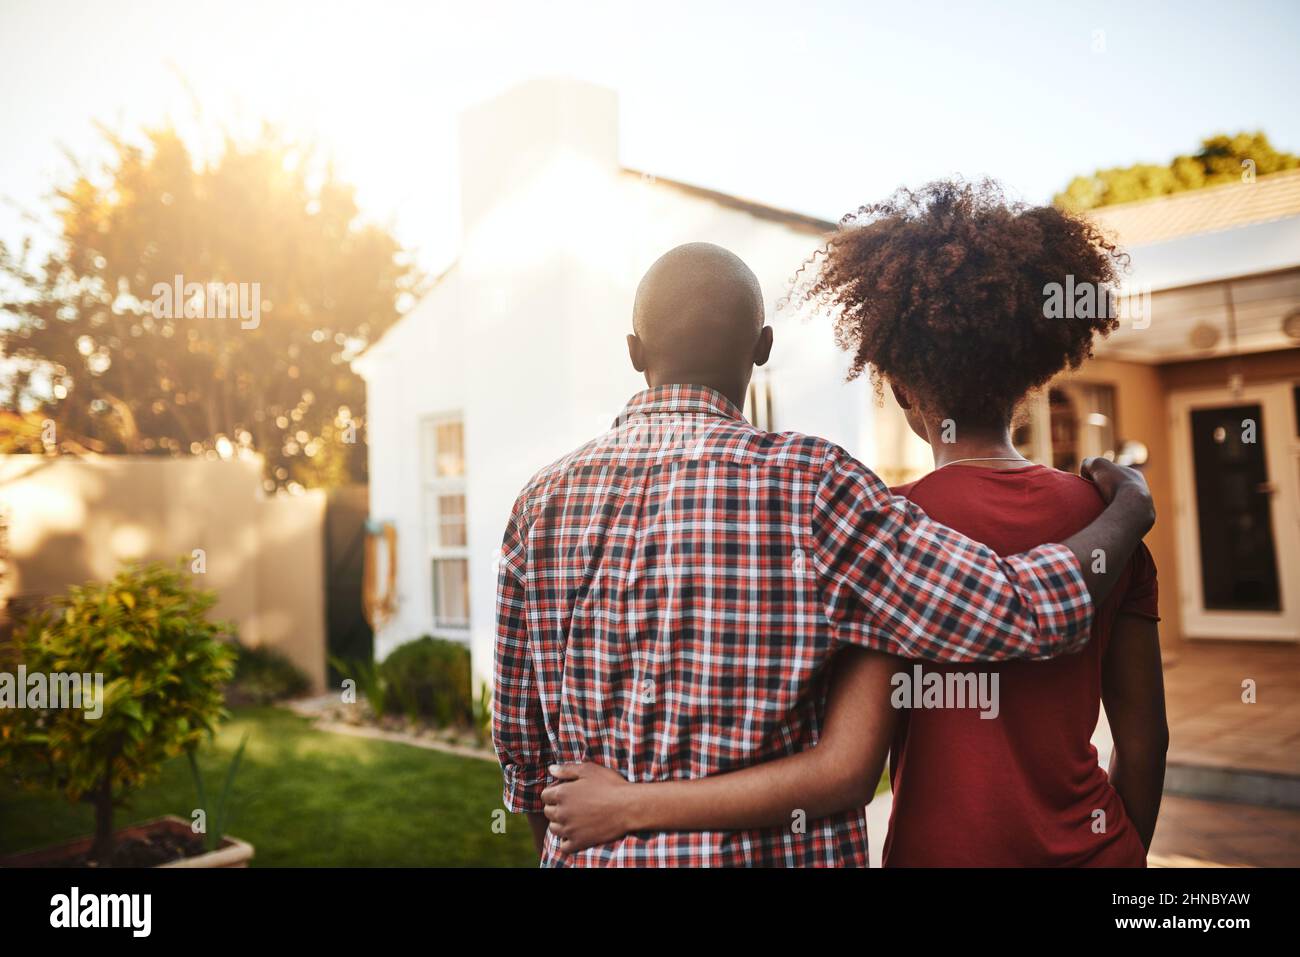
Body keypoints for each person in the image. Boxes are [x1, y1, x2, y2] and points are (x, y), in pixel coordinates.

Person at [540, 185, 1168, 867]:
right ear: (1029, 377)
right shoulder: (1106, 524)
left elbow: (847, 762)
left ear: (898, 388)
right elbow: (1145, 741)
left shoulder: (886, 521)